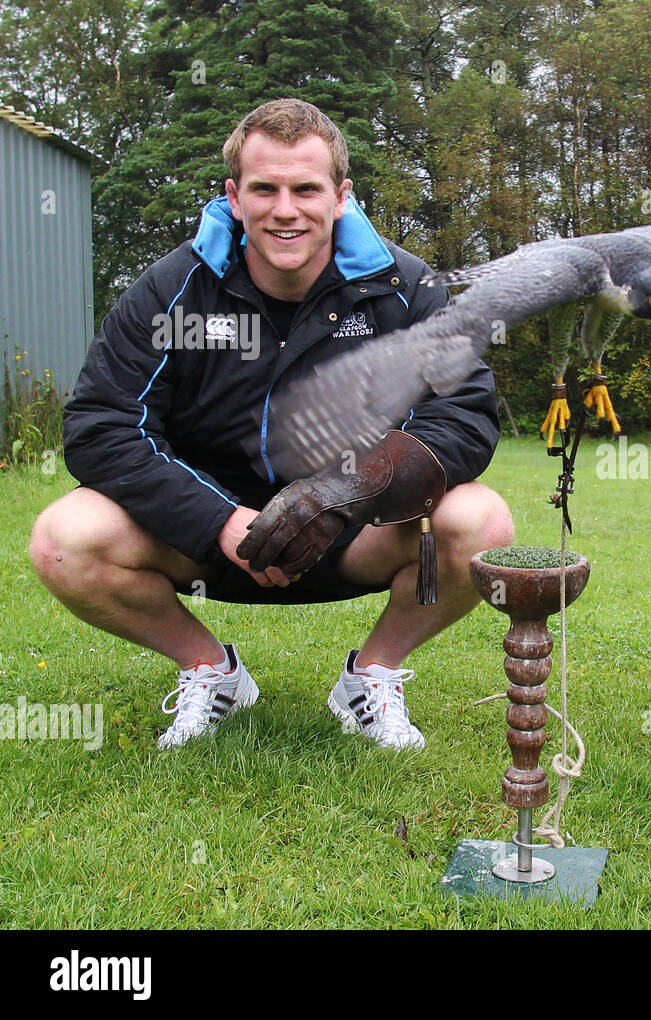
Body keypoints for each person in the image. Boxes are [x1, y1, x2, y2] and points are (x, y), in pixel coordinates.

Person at [29, 98, 513, 751]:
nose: (286, 209)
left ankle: (372, 675)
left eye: (306, 188)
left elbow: (461, 414)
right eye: (265, 188)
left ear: (341, 197)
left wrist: (341, 499)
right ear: (234, 196)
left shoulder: (406, 289)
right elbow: (102, 423)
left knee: (482, 522)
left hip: (353, 533)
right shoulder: (172, 290)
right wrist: (218, 522)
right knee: (63, 538)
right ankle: (212, 671)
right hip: (205, 542)